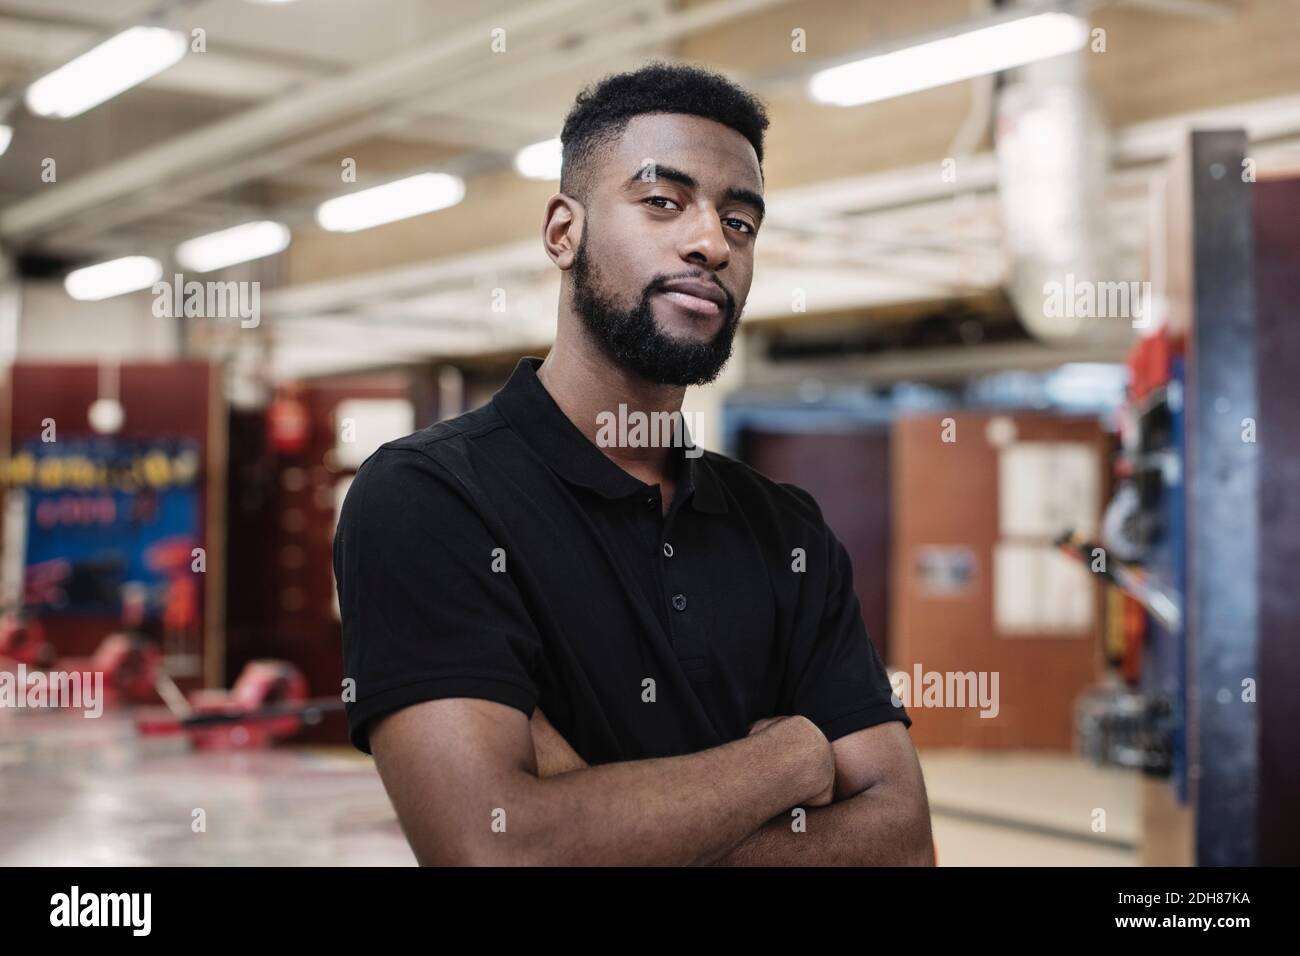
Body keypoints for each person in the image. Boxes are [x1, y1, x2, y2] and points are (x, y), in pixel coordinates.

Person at [334, 62, 933, 866]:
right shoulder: (429, 499)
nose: (711, 242)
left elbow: (902, 844)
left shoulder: (787, 531)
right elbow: (497, 849)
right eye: (662, 202)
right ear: (562, 232)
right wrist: (785, 759)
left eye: (741, 221)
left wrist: (599, 813)